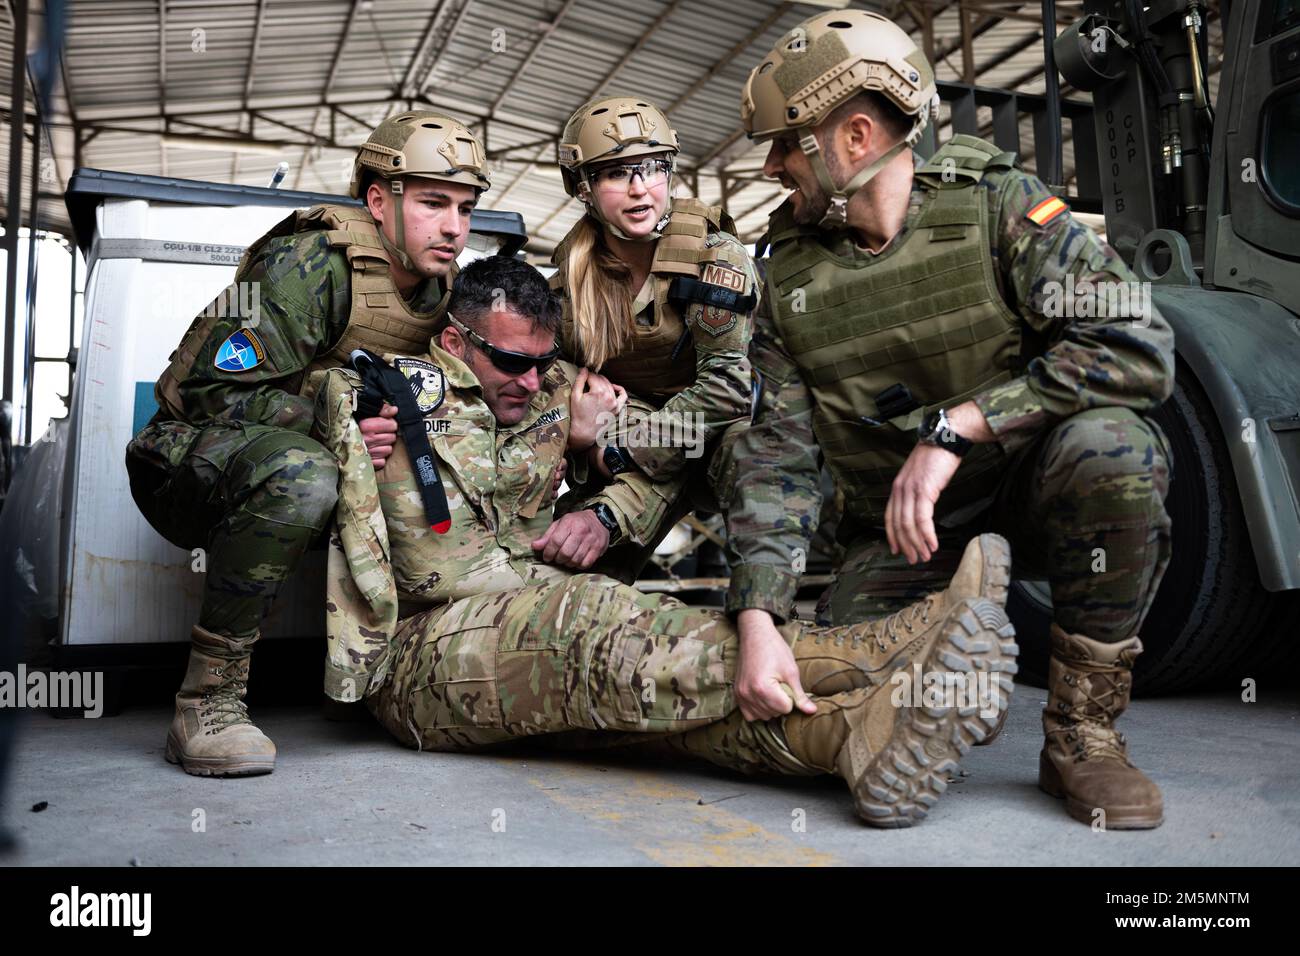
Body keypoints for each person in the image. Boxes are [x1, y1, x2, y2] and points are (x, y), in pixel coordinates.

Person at [316, 254, 1019, 829]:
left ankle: (849, 735)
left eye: (542, 359)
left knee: (648, 709)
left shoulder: (557, 390)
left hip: (531, 635)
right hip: (416, 660)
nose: (529, 380)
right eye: (508, 361)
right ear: (453, 342)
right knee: (592, 620)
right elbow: (251, 406)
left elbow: (682, 448)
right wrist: (346, 434)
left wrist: (609, 482)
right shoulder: (383, 393)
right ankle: (881, 651)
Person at [726, 9, 1175, 828]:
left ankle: (1081, 737)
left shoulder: (1001, 208)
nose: (770, 166)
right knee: (834, 694)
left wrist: (962, 425)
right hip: (900, 542)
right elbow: (773, 461)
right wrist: (757, 617)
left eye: (787, 144)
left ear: (854, 137)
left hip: (1025, 498)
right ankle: (956, 645)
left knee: (1115, 448)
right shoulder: (785, 279)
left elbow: (1136, 345)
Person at [125, 111, 490, 777]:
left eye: (465, 208)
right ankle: (206, 701)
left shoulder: (445, 288)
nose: (454, 227)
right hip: (185, 459)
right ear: (379, 200)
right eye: (435, 203)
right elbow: (211, 393)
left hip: (314, 454)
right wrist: (334, 413)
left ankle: (391, 668)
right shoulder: (308, 265)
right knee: (305, 471)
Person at [540, 95, 759, 580]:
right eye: (617, 174)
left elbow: (729, 389)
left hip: (713, 442)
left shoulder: (713, 257)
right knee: (573, 580)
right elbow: (559, 387)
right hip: (615, 444)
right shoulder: (568, 284)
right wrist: (571, 434)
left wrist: (622, 450)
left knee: (760, 458)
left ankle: (765, 612)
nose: (640, 190)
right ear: (583, 187)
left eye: (653, 169)